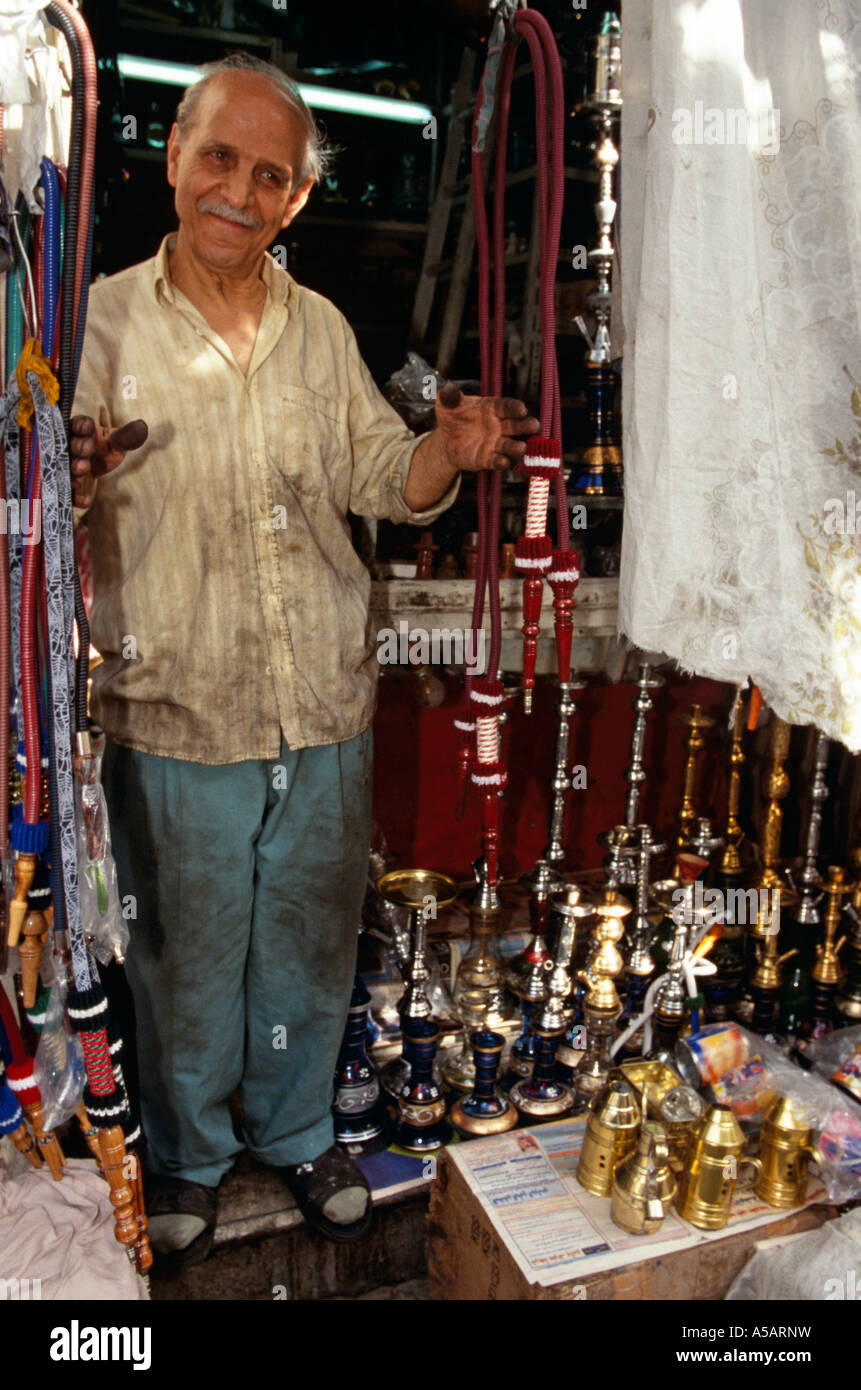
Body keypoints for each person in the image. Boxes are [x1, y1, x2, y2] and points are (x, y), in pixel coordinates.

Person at [70, 53, 540, 1264]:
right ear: (174, 156)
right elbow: (36, 501)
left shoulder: (319, 327)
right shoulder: (97, 320)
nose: (238, 188)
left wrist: (445, 452)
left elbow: (383, 479)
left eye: (269, 175)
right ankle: (184, 1158)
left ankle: (290, 1128)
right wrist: (57, 486)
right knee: (180, 958)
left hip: (319, 706)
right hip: (171, 710)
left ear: (294, 201)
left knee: (308, 943)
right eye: (219, 156)